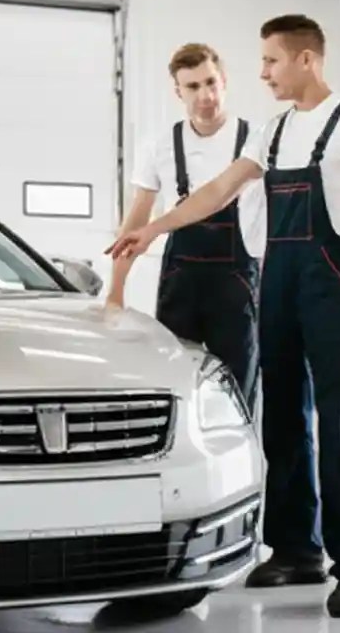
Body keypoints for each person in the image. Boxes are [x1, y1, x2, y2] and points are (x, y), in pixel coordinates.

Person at [106, 14, 340, 618]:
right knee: (282, 422)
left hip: (336, 286)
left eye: (271, 61)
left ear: (305, 59)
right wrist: (150, 231)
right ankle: (296, 549)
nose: (263, 73)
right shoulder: (270, 130)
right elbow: (218, 191)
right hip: (276, 282)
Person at [105, 43, 263, 416]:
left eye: (211, 83)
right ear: (178, 92)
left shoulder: (257, 139)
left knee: (238, 392)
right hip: (181, 281)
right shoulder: (159, 146)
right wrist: (115, 292)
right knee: (176, 385)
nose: (205, 96)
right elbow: (136, 222)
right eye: (192, 87)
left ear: (224, 81)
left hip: (237, 282)